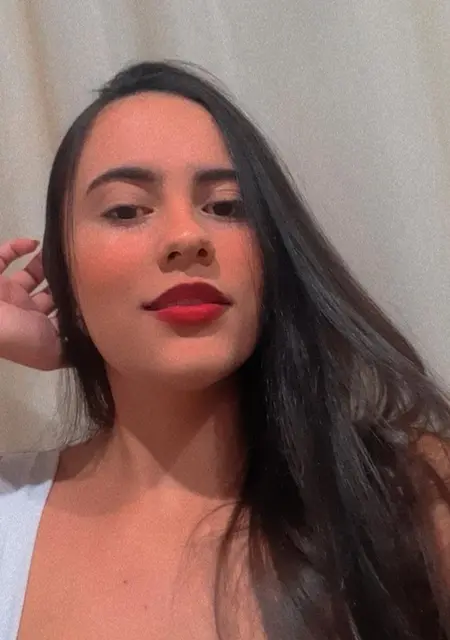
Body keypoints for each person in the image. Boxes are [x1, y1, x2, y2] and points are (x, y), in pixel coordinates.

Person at [0, 61, 449, 640]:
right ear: (64, 276)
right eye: (126, 210)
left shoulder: (411, 494)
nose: (188, 237)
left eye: (226, 207)